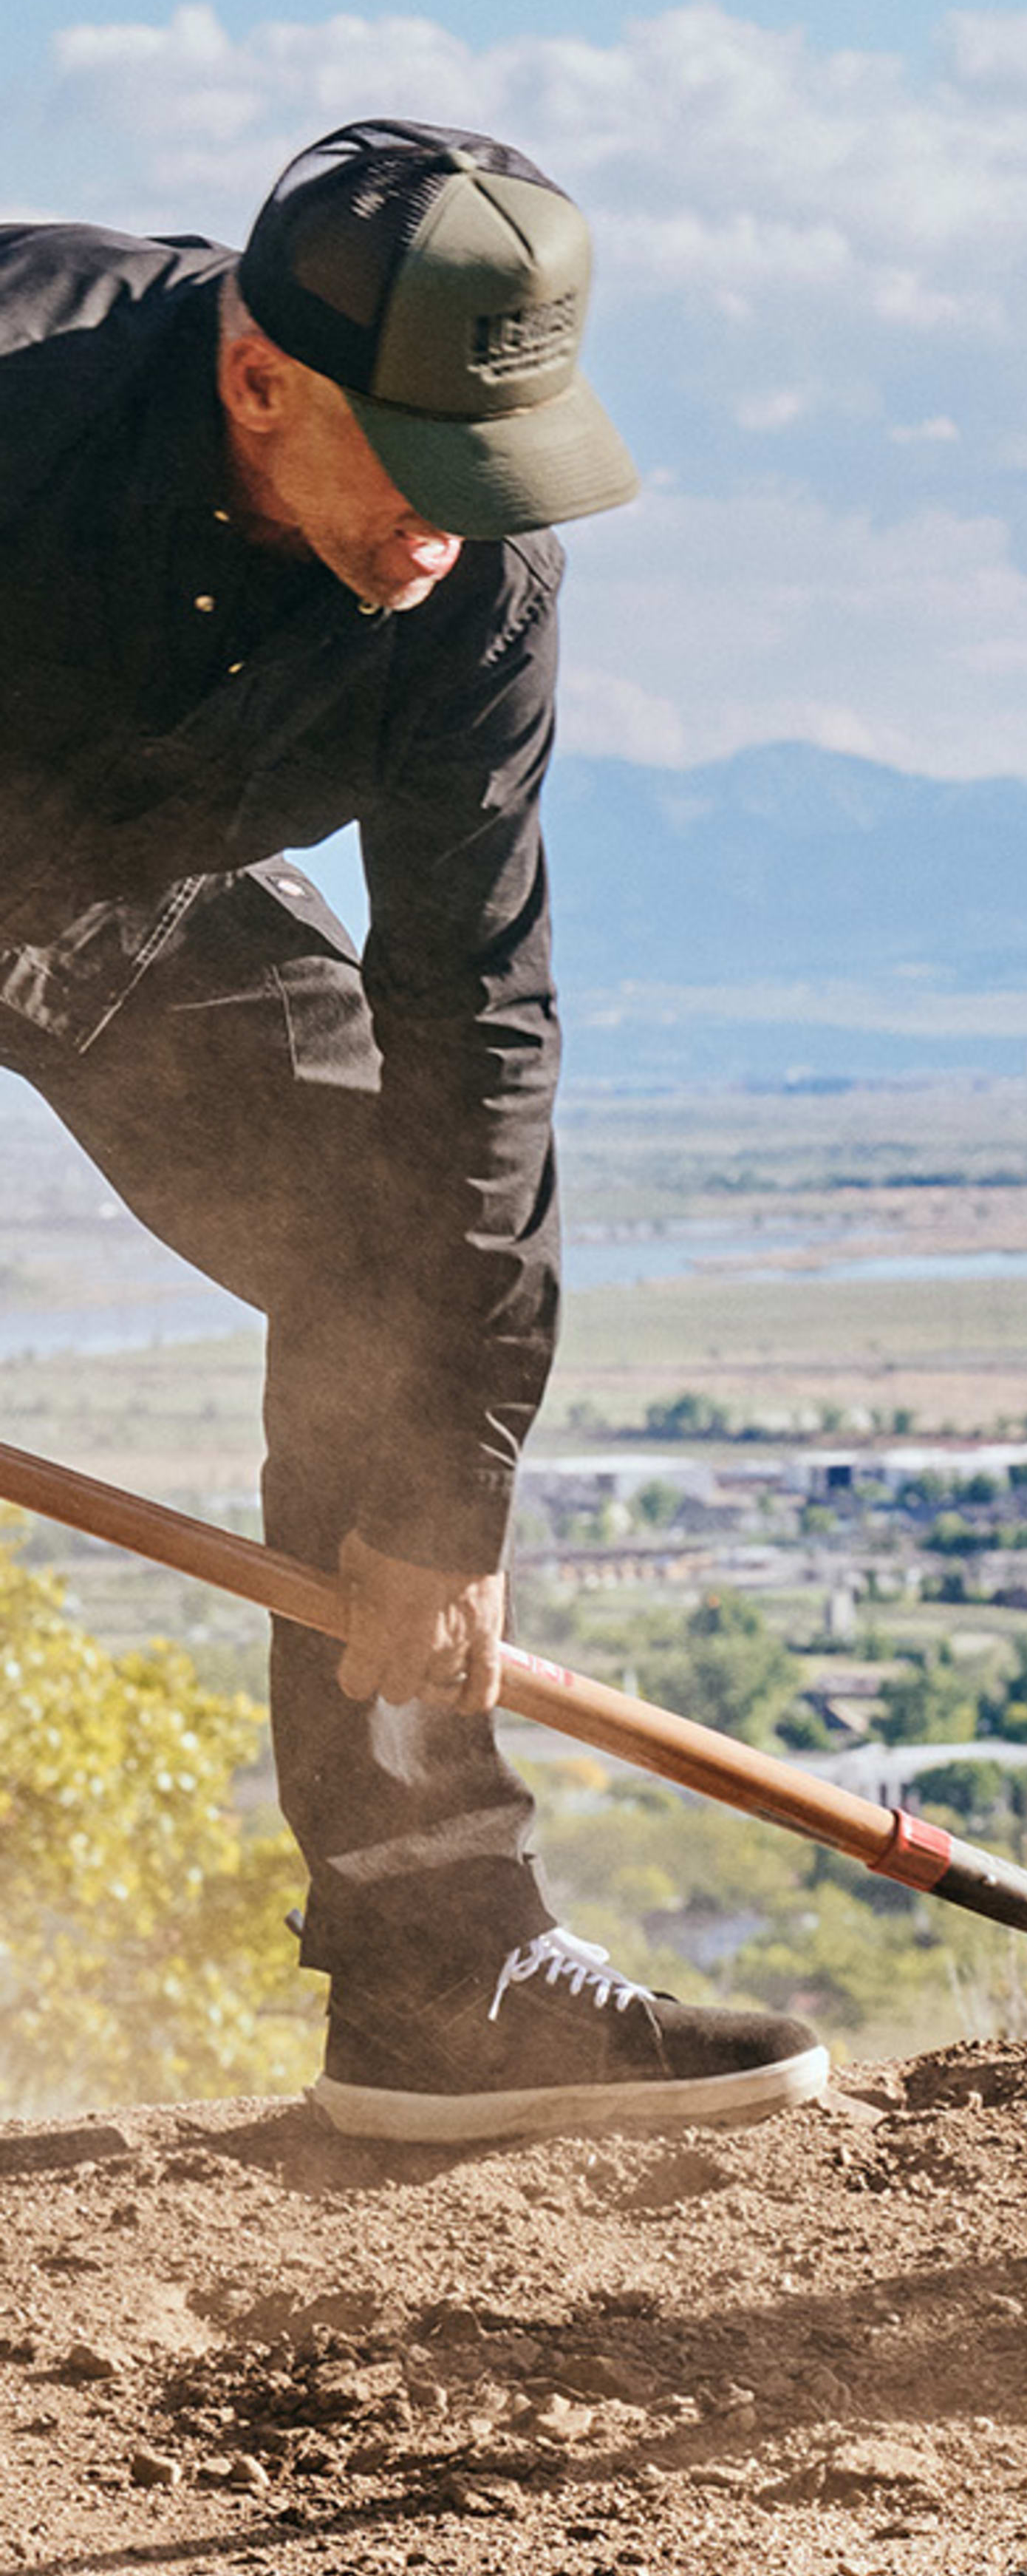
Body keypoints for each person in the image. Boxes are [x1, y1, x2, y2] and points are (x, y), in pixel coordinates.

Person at [0, 121, 828, 2144]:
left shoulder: (474, 586)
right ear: (257, 381)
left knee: (394, 1275)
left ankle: (439, 1969)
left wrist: (445, 1497)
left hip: (126, 902)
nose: (463, 528)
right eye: (428, 468)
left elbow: (473, 1014)